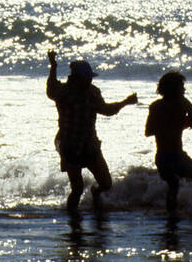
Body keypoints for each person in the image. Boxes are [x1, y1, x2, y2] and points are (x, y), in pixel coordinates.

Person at [47, 50, 137, 214]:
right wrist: (53, 66)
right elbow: (51, 88)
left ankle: (96, 193)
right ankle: (72, 220)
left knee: (106, 184)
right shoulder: (63, 92)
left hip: (89, 144)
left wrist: (125, 102)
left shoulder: (92, 92)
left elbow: (106, 110)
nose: (90, 80)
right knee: (77, 189)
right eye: (87, 77)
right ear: (76, 78)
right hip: (69, 145)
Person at [145, 70, 192, 215]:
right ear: (175, 89)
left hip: (161, 159)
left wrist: (182, 123)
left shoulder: (154, 106)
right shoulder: (182, 103)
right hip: (177, 158)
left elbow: (149, 131)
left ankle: (171, 219)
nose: (184, 89)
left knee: (174, 186)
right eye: (182, 86)